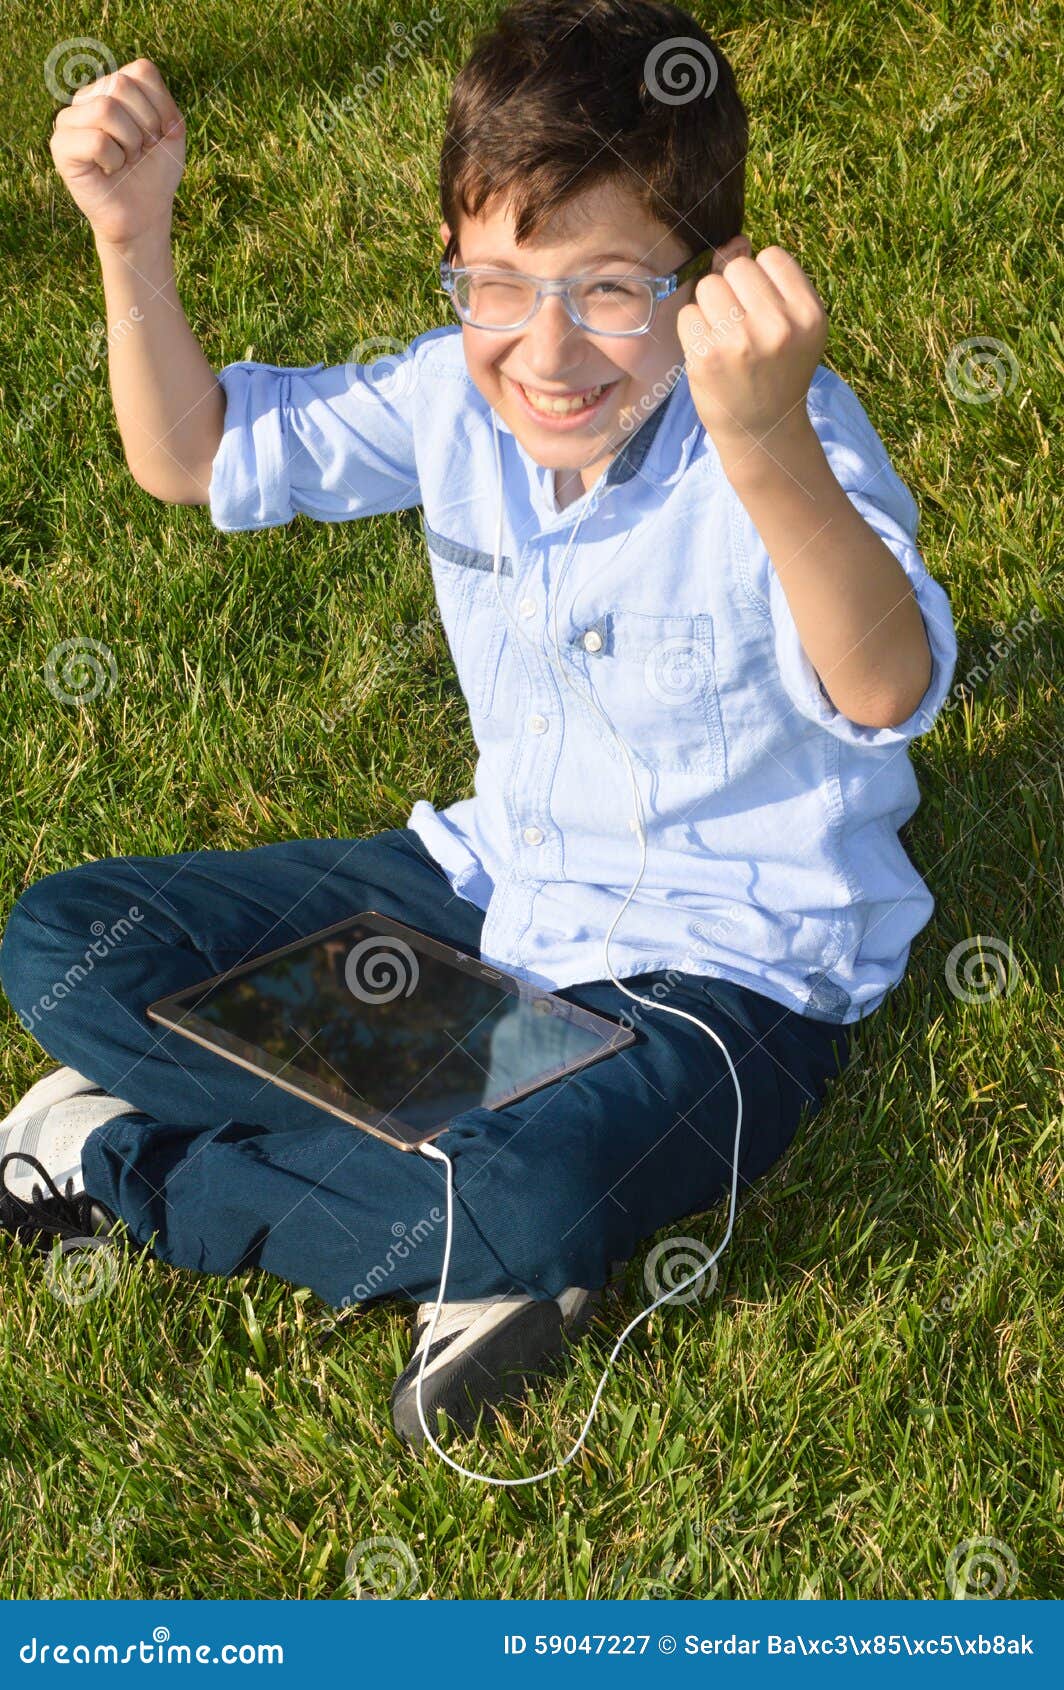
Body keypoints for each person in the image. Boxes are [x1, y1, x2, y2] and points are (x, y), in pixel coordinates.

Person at [0, 0, 956, 1449]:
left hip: (729, 977)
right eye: (497, 282)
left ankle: (116, 1146)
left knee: (537, 1188)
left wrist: (760, 442)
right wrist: (130, 237)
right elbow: (188, 455)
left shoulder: (790, 434)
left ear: (708, 283)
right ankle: (463, 1199)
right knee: (66, 940)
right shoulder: (459, 393)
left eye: (612, 289)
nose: (547, 350)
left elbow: (890, 684)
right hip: (485, 895)